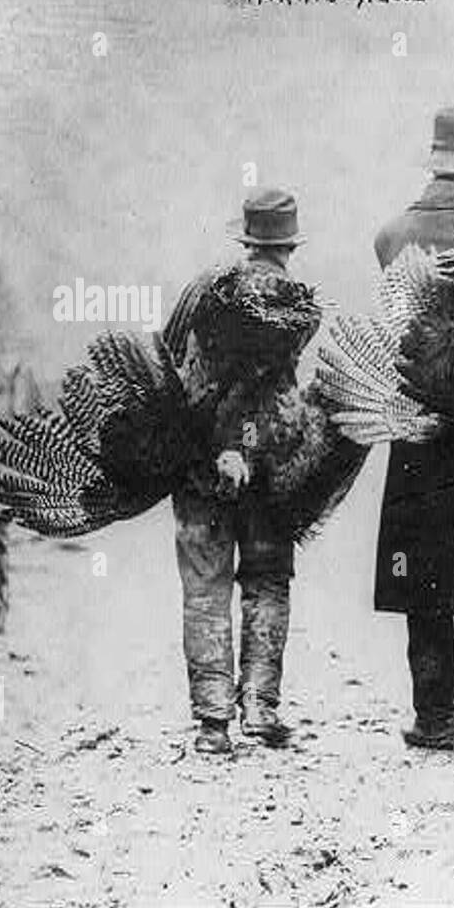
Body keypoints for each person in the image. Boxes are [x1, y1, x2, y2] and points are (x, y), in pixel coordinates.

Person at [164, 188, 318, 754]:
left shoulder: (205, 292)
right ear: (288, 246)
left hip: (201, 459)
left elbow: (172, 360)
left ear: (247, 239)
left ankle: (211, 724)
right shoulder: (300, 306)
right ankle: (259, 707)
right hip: (271, 463)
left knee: (205, 586)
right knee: (267, 580)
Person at [371, 106, 454, 751]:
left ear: (435, 160)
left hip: (418, 420)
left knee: (421, 566)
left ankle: (435, 713)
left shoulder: (393, 235)